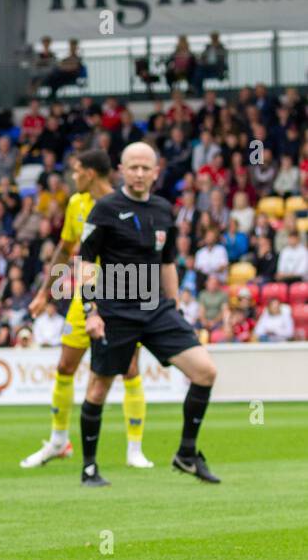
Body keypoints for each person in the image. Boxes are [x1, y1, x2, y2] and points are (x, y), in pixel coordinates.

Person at [77, 142, 221, 487]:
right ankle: (89, 468)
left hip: (155, 308)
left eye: (146, 168)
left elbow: (167, 262)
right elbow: (85, 263)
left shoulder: (163, 210)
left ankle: (186, 454)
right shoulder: (104, 209)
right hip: (115, 311)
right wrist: (90, 310)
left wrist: (174, 307)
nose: (140, 173)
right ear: (121, 171)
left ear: (156, 172)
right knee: (98, 389)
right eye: (133, 167)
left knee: (205, 371)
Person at [21, 149, 152, 470]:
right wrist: (45, 294)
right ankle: (57, 441)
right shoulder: (77, 204)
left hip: (122, 300)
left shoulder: (127, 204)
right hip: (85, 300)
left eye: (77, 170)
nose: (73, 176)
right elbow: (65, 250)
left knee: (129, 369)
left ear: (91, 173)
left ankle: (135, 449)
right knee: (65, 367)